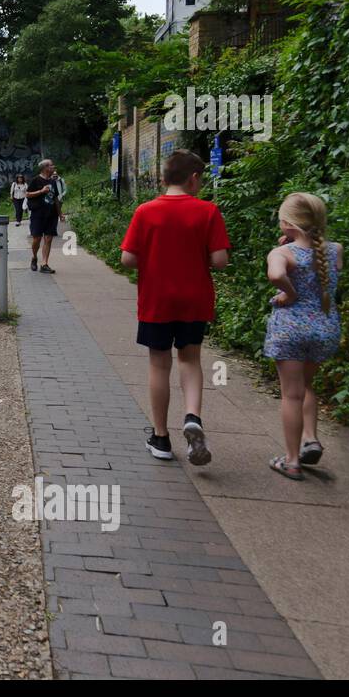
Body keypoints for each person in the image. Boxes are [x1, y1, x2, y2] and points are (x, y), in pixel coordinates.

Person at [119, 150, 230, 465]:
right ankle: (192, 416)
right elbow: (220, 261)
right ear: (194, 179)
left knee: (158, 364)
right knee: (190, 359)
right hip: (195, 300)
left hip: (156, 301)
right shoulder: (208, 211)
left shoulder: (146, 211)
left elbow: (127, 259)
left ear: (164, 178)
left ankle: (161, 438)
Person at [263, 192, 342, 480]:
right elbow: (320, 265)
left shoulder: (282, 254)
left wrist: (290, 292)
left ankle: (292, 460)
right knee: (307, 386)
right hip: (324, 328)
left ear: (288, 224)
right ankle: (311, 439)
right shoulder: (335, 250)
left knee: (291, 395)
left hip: (292, 330)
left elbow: (275, 276)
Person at [26, 159, 59, 273]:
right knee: (37, 239)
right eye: (51, 165)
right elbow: (27, 194)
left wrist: (60, 213)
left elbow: (55, 198)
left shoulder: (53, 181)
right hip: (38, 214)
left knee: (48, 239)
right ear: (45, 168)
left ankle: (44, 264)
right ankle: (34, 257)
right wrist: (41, 191)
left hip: (51, 214)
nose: (53, 166)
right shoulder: (35, 180)